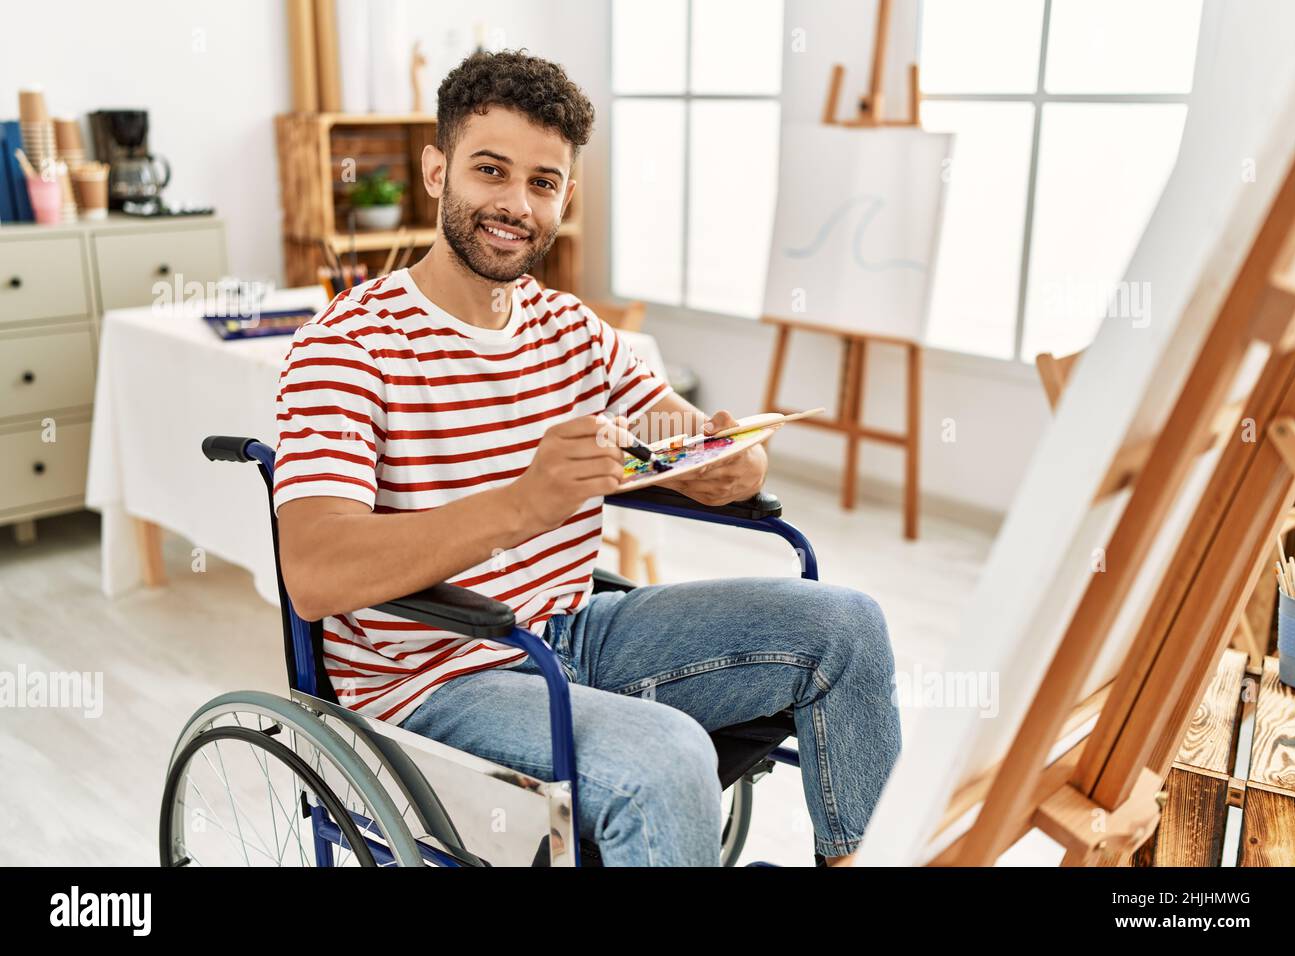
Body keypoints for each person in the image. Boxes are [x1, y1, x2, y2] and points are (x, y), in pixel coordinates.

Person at [274, 49, 901, 866]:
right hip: (431, 684)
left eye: (541, 182)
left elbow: (680, 432)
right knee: (666, 758)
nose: (514, 204)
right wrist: (519, 508)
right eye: (489, 171)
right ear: (436, 171)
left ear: (567, 196)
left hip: (573, 630)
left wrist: (730, 465)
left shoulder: (572, 330)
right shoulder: (347, 346)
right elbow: (316, 573)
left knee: (848, 626)